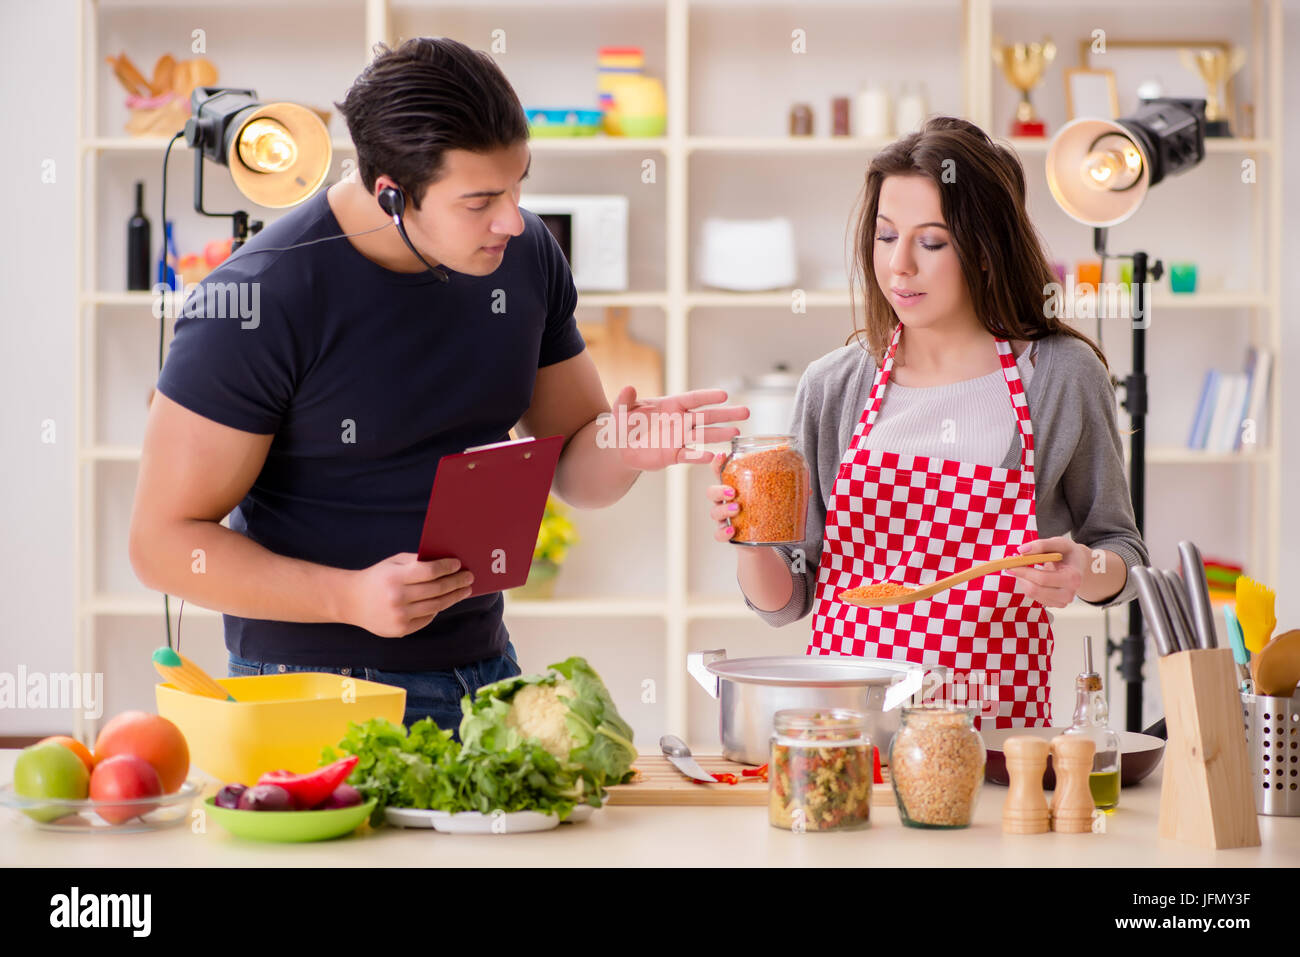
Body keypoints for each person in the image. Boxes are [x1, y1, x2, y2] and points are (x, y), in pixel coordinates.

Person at [129, 37, 746, 734]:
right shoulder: (259, 298)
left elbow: (574, 465)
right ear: (390, 193)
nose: (511, 219)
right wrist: (350, 597)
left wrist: (624, 446)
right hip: (313, 694)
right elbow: (163, 543)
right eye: (480, 200)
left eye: (518, 187)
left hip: (485, 667)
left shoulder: (526, 253)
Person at [706, 116, 1147, 729]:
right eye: (886, 237)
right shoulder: (834, 385)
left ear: (986, 248)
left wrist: (1087, 571)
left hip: (993, 738)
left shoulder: (1060, 376)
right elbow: (789, 601)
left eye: (931, 242)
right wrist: (748, 538)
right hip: (850, 737)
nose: (899, 267)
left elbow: (1123, 555)